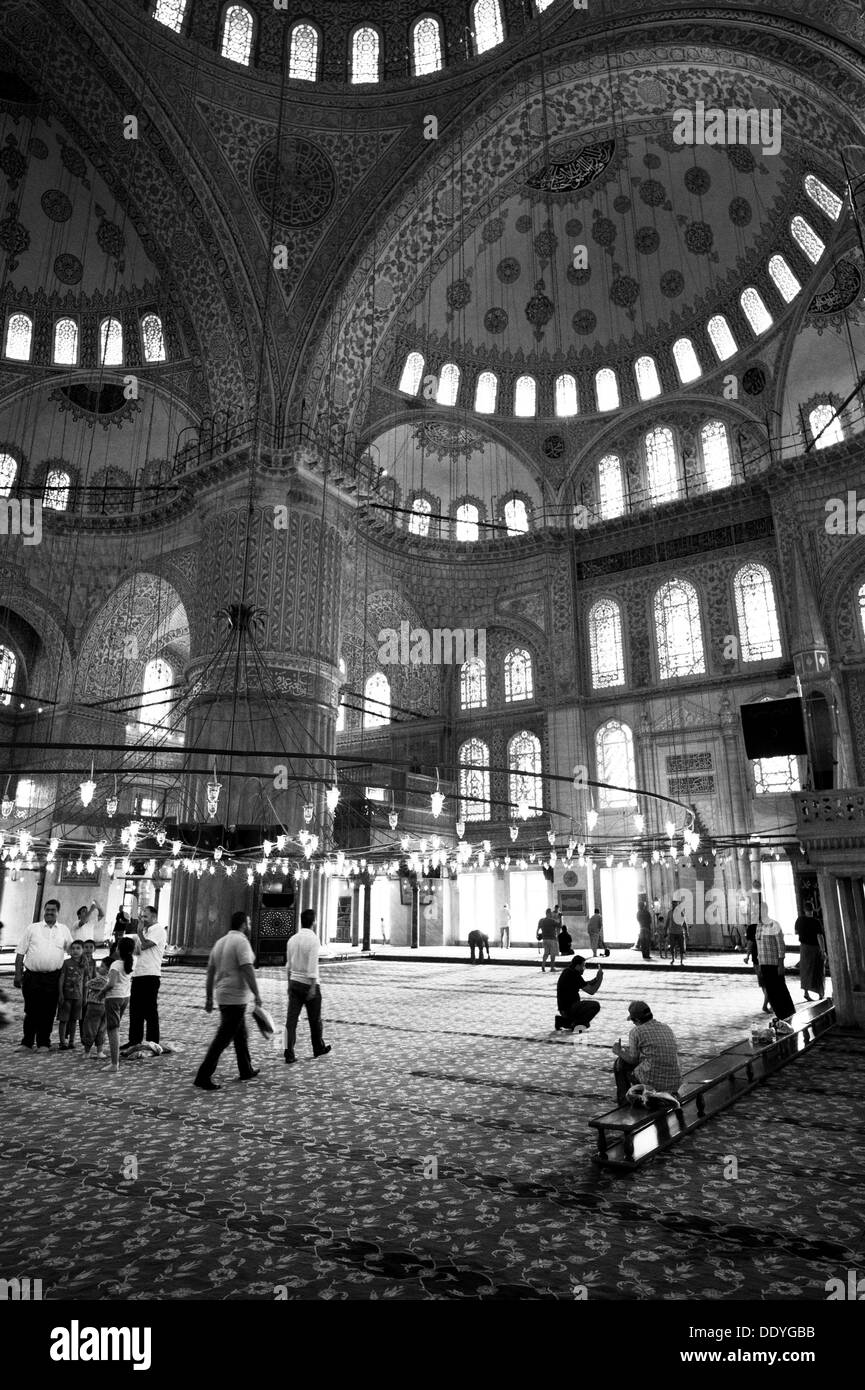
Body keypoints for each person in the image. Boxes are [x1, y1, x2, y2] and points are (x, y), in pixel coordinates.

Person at [194, 911, 263, 1090]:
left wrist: (209, 997)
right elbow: (247, 968)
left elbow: (210, 971)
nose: (249, 925)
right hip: (235, 996)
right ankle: (203, 1075)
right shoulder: (241, 942)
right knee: (223, 1037)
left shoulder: (220, 942)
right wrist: (257, 993)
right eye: (248, 921)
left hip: (222, 994)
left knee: (241, 1034)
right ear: (243, 924)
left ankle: (245, 1069)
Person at [13, 899, 72, 1050]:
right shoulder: (32, 928)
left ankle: (44, 1042)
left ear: (58, 912)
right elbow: (20, 953)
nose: (50, 912)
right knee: (31, 1010)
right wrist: (18, 975)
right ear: (44, 911)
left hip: (53, 977)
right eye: (48, 909)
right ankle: (27, 1042)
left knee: (48, 1011)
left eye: (53, 910)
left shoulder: (64, 930)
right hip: (32, 976)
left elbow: (73, 951)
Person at [285, 908, 332, 1064]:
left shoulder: (292, 939)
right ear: (314, 922)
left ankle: (288, 1051)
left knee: (291, 1021)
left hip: (294, 983)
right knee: (315, 1020)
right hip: (308, 984)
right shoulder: (313, 939)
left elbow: (288, 966)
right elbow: (312, 965)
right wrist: (312, 987)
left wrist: (288, 984)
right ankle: (318, 1047)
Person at [612, 1000, 681, 1104]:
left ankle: (623, 1100)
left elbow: (633, 1060)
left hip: (653, 1083)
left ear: (637, 1019)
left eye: (633, 1021)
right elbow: (654, 1052)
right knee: (646, 1062)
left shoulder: (636, 1031)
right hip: (675, 1082)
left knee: (620, 1062)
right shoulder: (666, 1027)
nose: (633, 1023)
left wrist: (619, 1051)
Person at [127, 903, 167, 1047]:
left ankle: (152, 1041)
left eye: (145, 916)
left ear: (154, 917)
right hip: (139, 973)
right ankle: (134, 1040)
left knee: (150, 1010)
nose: (142, 919)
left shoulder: (158, 930)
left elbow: (144, 945)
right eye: (141, 916)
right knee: (135, 1009)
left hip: (151, 975)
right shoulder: (146, 930)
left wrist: (138, 933)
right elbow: (138, 951)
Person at [103, 937, 136, 1075]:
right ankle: (114, 1061)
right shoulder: (132, 961)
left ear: (118, 949)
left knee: (113, 1030)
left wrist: (100, 993)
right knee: (115, 1027)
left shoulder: (116, 964)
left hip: (113, 998)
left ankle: (114, 1063)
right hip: (125, 997)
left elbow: (111, 984)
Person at [755, 909, 796, 1019]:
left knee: (780, 989)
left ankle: (788, 1013)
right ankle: (780, 1015)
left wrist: (781, 964)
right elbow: (759, 947)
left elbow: (781, 945)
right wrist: (759, 964)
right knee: (771, 991)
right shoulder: (758, 927)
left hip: (774, 963)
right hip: (764, 963)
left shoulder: (774, 925)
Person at [555, 956, 604, 1032]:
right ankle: (577, 1025)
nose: (584, 968)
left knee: (584, 1010)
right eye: (583, 966)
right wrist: (600, 978)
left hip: (564, 1009)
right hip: (569, 1009)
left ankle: (563, 1021)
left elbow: (584, 984)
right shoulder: (574, 974)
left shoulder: (568, 971)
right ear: (578, 966)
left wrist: (596, 979)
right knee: (595, 1005)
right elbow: (592, 991)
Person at [57, 940, 88, 1050]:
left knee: (74, 1019)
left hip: (78, 997)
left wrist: (85, 996)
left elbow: (85, 982)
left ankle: (71, 1041)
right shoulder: (66, 963)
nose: (75, 951)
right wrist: (60, 993)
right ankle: (62, 1042)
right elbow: (61, 979)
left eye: (78, 948)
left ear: (83, 950)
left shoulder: (84, 963)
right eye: (73, 948)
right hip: (66, 996)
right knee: (63, 1019)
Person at [794, 903, 826, 1002]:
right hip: (815, 948)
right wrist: (823, 950)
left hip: (804, 947)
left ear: (804, 910)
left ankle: (806, 992)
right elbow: (819, 937)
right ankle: (820, 993)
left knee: (805, 971)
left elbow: (796, 931)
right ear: (813, 910)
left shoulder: (799, 920)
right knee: (818, 970)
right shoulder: (816, 922)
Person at [82, 959, 111, 1059]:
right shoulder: (111, 980)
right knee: (101, 1029)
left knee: (90, 1028)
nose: (99, 967)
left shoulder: (101, 979)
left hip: (94, 1005)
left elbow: (87, 984)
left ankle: (87, 1052)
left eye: (102, 966)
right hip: (106, 1006)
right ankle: (100, 1051)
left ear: (108, 970)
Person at [536, 908, 559, 973]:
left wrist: (537, 935)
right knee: (552, 953)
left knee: (546, 953)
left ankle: (543, 966)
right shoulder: (552, 921)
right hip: (552, 939)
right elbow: (559, 925)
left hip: (544, 939)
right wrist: (559, 917)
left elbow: (537, 929)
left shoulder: (541, 920)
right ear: (549, 913)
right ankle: (552, 968)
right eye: (551, 913)